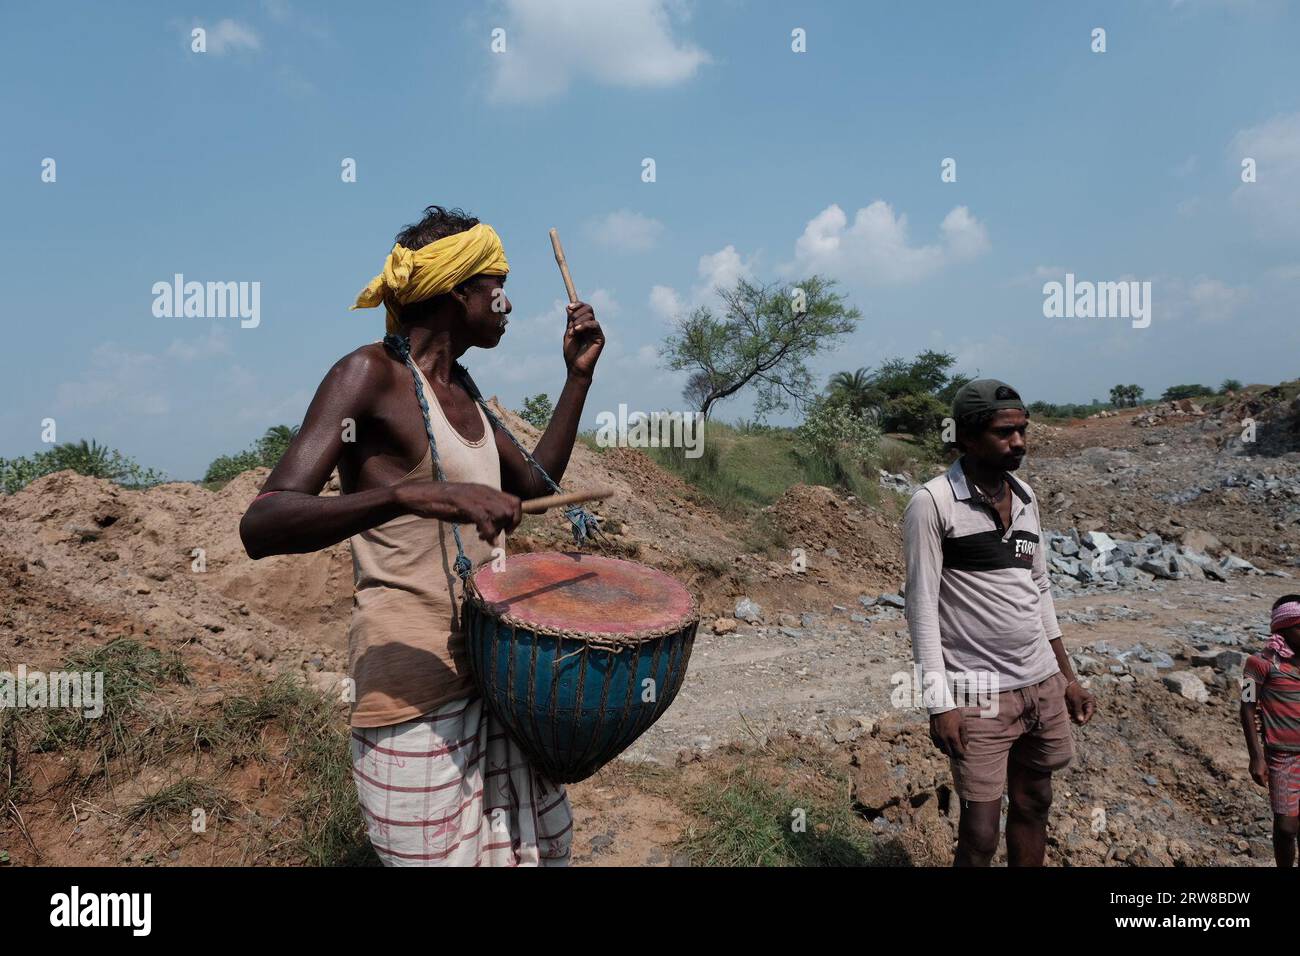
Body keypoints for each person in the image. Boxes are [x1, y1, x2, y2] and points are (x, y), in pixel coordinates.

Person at [239, 205, 604, 865]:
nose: (507, 302)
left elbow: (537, 485)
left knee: (541, 852)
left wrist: (576, 378)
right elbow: (263, 521)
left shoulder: (462, 389)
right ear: (456, 291)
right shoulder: (368, 375)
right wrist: (409, 493)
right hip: (410, 691)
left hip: (498, 675)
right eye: (496, 286)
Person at [903, 378, 1096, 866]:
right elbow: (922, 606)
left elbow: (1041, 590)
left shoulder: (1026, 497)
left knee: (1034, 804)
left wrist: (1067, 678)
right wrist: (938, 702)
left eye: (1023, 431)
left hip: (1041, 684)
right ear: (967, 437)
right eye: (1004, 433)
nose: (1019, 443)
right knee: (981, 832)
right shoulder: (933, 503)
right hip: (979, 692)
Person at [1240, 595, 1300, 867]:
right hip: (1282, 758)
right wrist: (1256, 756)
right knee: (1286, 827)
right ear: (1283, 630)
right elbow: (1247, 707)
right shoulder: (1259, 664)